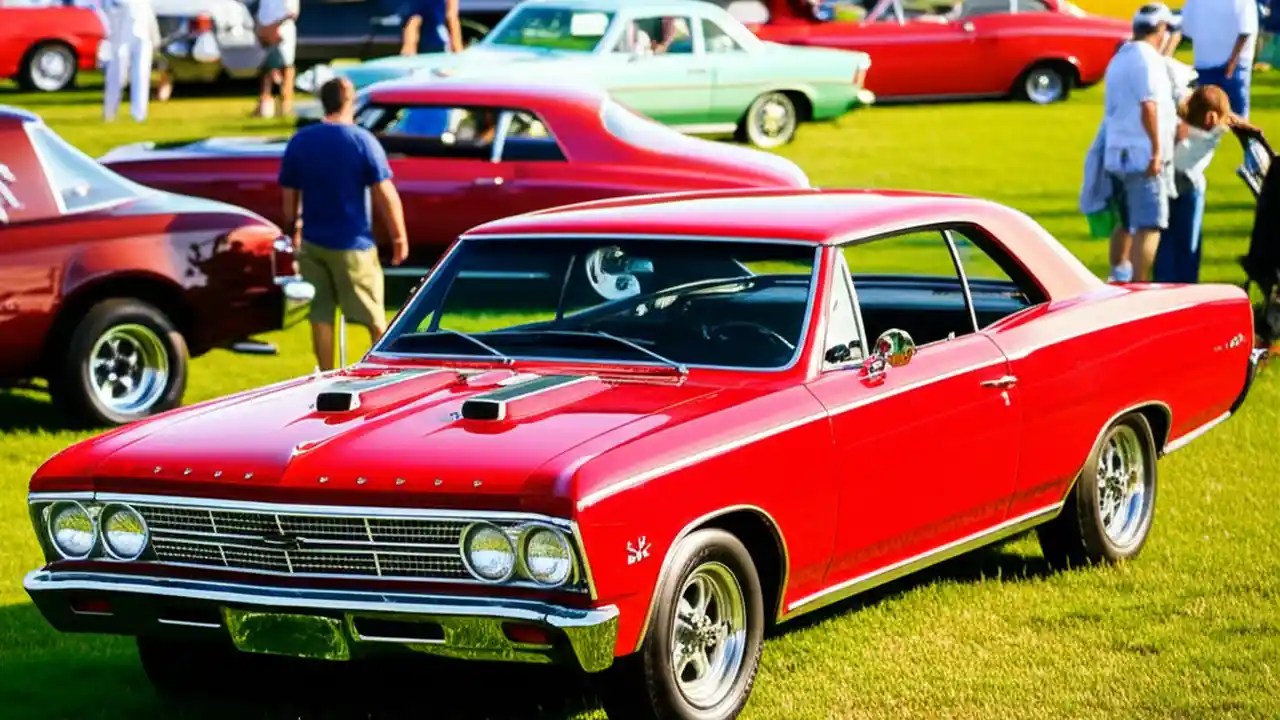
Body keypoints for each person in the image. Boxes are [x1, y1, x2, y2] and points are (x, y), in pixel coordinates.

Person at [279, 77, 410, 371]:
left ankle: (327, 373)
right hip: (353, 244)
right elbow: (385, 193)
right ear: (349, 102)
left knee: (320, 317)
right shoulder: (362, 140)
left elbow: (289, 195)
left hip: (312, 242)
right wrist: (398, 237)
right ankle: (384, 371)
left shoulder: (301, 141)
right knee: (374, 317)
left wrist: (293, 228)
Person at [1098, 4, 1179, 283]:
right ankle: (1139, 286)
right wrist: (1156, 152)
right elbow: (1149, 106)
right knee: (1149, 224)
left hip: (1117, 152)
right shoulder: (1148, 60)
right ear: (1161, 29)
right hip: (1142, 154)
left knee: (1125, 221)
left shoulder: (1121, 56)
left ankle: (1118, 277)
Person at [1154, 85, 1258, 283]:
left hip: (1166, 185)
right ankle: (1188, 286)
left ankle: (1162, 284)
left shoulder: (1178, 128)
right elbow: (1230, 120)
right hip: (1190, 189)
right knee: (1189, 247)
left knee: (1166, 241)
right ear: (1211, 118)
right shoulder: (1212, 134)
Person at [1181, 0, 1259, 116]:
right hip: (1210, 67)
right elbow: (1184, 25)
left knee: (1235, 117)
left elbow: (1246, 31)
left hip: (1229, 67)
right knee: (1207, 116)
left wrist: (1232, 63)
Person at [102, 0, 160, 122]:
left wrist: (155, 37)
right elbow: (107, 12)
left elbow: (149, 13)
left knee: (141, 75)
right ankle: (110, 112)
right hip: (120, 37)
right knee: (117, 75)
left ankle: (139, 114)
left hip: (143, 35)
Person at [254, 0, 300, 118]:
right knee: (267, 67)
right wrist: (261, 27)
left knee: (286, 66)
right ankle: (265, 104)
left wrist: (275, 26)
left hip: (283, 29)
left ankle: (286, 104)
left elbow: (292, 11)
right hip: (265, 29)